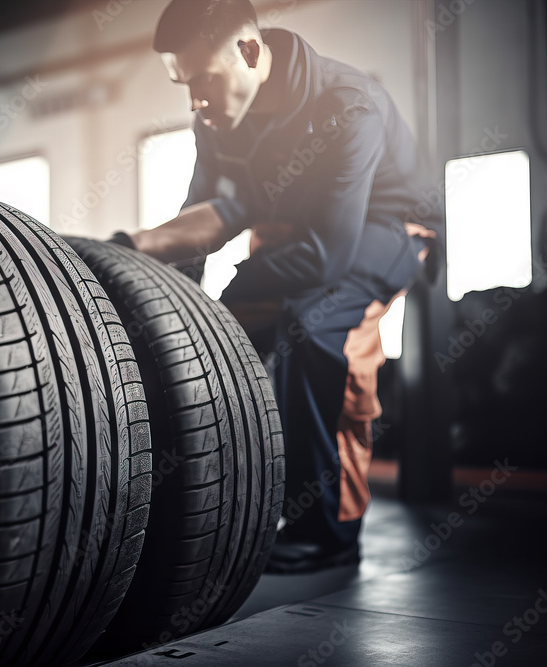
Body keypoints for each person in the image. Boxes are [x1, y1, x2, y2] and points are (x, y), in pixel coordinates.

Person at [110, 0, 442, 573]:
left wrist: (231, 300)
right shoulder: (213, 116)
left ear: (248, 51)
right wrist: (169, 298)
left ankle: (329, 530)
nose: (194, 99)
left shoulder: (347, 106)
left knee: (314, 328)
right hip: (300, 227)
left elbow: (329, 254)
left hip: (389, 227)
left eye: (204, 80)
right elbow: (206, 211)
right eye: (183, 84)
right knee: (225, 335)